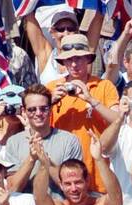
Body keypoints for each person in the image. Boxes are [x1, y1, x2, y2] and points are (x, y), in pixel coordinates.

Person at [47, 34, 122, 191]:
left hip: (97, 176)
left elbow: (118, 119)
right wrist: (49, 102)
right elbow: (35, 126)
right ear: (63, 62)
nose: (74, 64)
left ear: (88, 59)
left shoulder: (104, 86)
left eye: (79, 58)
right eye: (69, 59)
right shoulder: (51, 88)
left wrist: (91, 100)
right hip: (62, 179)